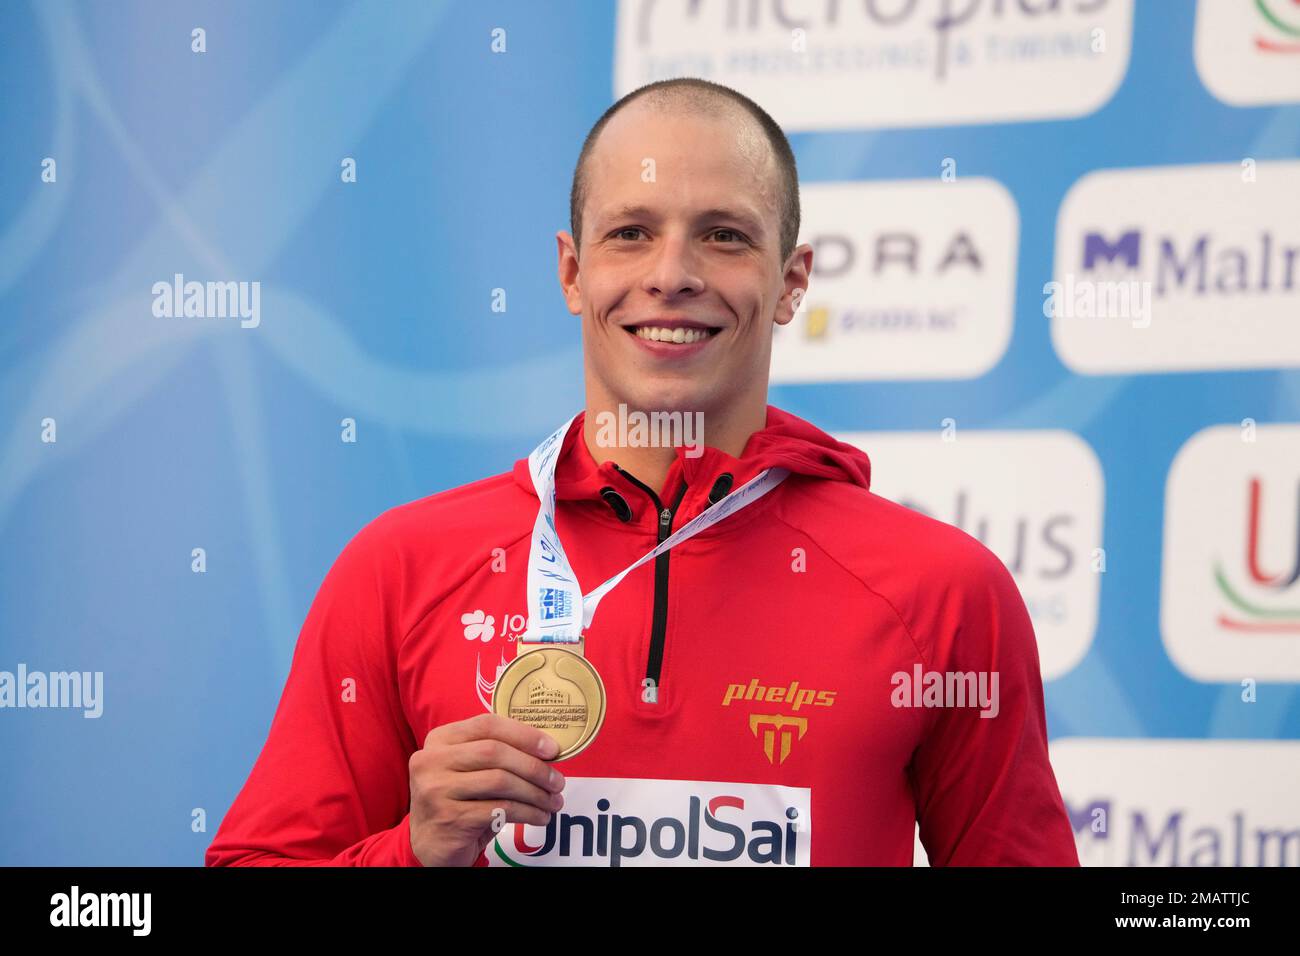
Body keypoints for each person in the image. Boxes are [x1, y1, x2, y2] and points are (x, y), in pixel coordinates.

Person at [205, 77, 1079, 867]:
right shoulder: (402, 568)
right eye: (631, 233)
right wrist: (411, 854)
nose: (672, 275)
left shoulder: (943, 591)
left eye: (725, 236)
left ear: (791, 281)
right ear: (572, 272)